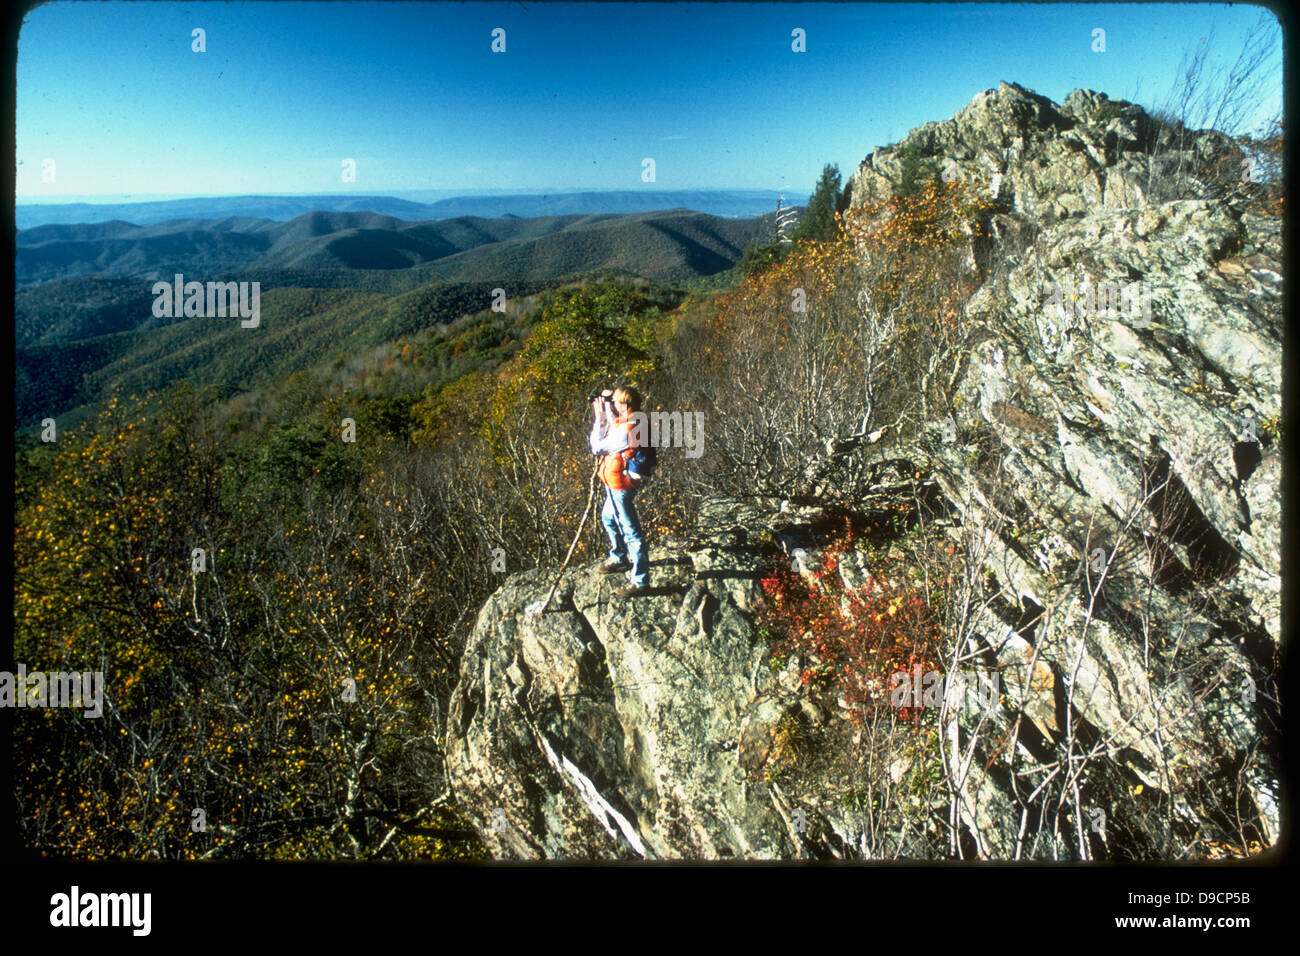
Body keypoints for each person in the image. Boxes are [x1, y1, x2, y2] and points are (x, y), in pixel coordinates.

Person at [590, 386, 650, 597]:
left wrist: (598, 419)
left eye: (615, 401)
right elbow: (614, 420)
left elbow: (597, 447)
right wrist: (607, 403)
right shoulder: (632, 418)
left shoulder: (627, 429)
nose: (612, 405)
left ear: (624, 405)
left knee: (632, 533)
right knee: (607, 518)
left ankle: (640, 581)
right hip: (615, 482)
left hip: (621, 486)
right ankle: (619, 556)